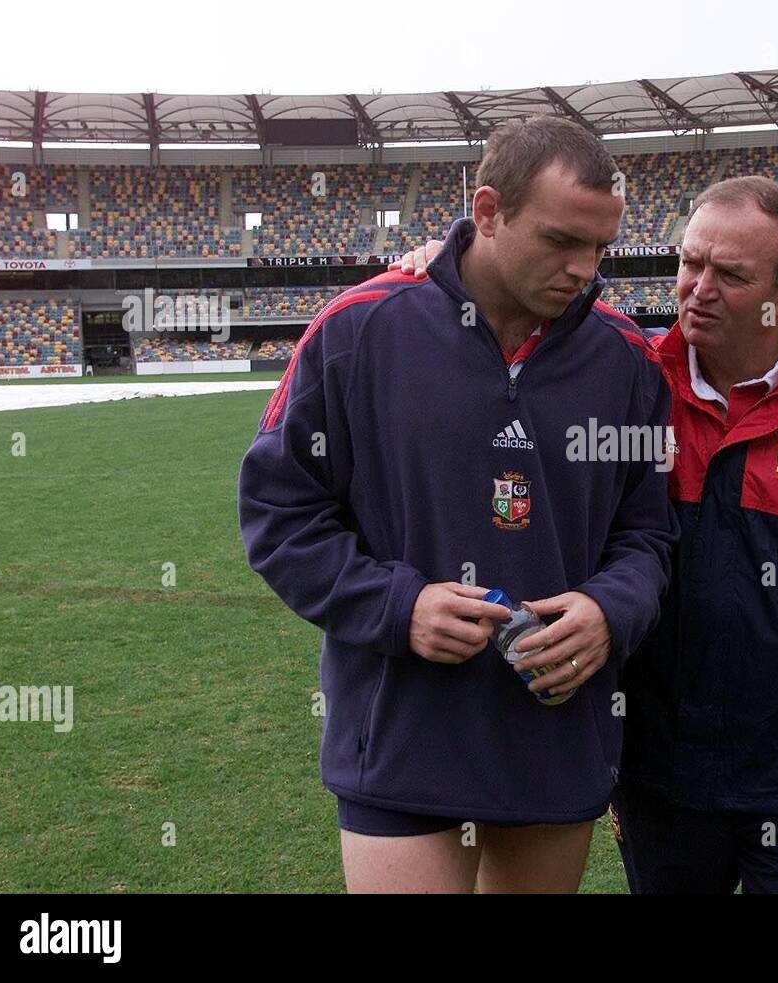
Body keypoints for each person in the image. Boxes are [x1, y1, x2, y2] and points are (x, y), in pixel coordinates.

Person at [395, 176, 778, 894]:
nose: (698, 288)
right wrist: (444, 259)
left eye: (731, 275)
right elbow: (511, 307)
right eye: (691, 263)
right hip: (660, 770)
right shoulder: (629, 378)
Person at [238, 115, 677, 894]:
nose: (585, 268)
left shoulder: (628, 362)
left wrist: (610, 609)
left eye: (601, 247)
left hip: (554, 731)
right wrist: (397, 605)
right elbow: (281, 516)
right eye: (560, 241)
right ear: (487, 210)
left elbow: (648, 535)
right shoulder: (357, 331)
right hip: (404, 730)